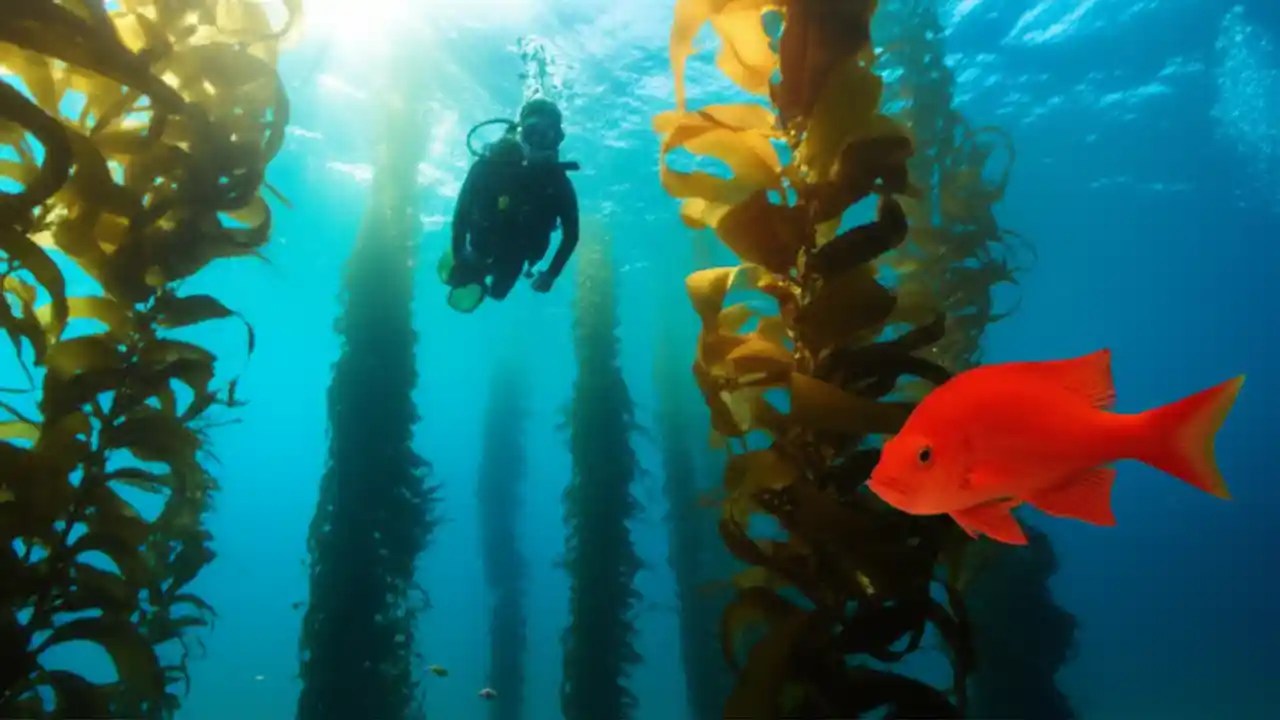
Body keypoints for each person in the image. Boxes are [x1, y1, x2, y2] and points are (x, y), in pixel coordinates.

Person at [442, 97, 580, 312]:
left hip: (516, 256)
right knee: (457, 279)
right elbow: (461, 213)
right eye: (531, 133)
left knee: (498, 294)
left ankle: (477, 280)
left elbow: (571, 235)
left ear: (557, 139)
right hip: (479, 246)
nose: (537, 142)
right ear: (520, 134)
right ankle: (462, 271)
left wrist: (551, 274)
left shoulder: (559, 184)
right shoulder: (488, 166)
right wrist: (460, 253)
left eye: (545, 135)